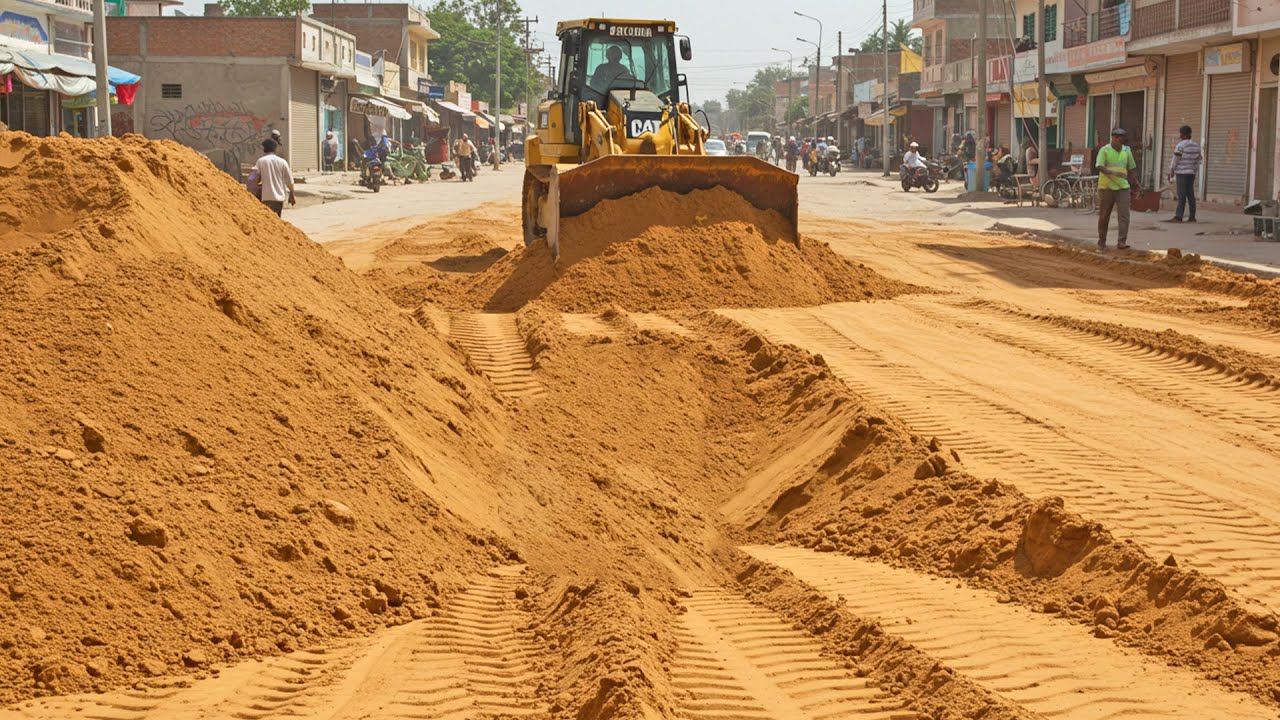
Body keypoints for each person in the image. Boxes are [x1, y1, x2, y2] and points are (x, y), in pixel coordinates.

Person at [1096, 127, 1139, 250]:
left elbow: (1130, 168)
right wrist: (1113, 173)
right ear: (1114, 138)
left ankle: (1121, 241)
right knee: (1104, 215)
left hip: (1123, 187)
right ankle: (1102, 241)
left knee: (1124, 215)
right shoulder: (1104, 150)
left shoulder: (1127, 150)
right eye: (1120, 139)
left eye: (1123, 140)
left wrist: (1137, 184)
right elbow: (1099, 166)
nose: (1122, 142)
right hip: (1106, 187)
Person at [1166, 124, 1202, 223]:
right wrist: (1194, 172)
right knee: (1190, 194)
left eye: (1181, 134)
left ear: (1184, 134)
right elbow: (1198, 160)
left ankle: (1178, 216)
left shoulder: (1180, 145)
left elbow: (1175, 159)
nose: (1180, 136)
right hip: (1191, 173)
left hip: (1181, 173)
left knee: (1181, 195)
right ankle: (1192, 216)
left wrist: (1171, 171)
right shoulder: (1196, 145)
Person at [253, 139, 295, 217]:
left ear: (264, 149)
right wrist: (292, 195)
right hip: (279, 199)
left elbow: (253, 178)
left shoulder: (261, 161)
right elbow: (289, 181)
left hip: (266, 198)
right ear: (275, 149)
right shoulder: (283, 162)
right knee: (277, 219)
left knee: (267, 220)